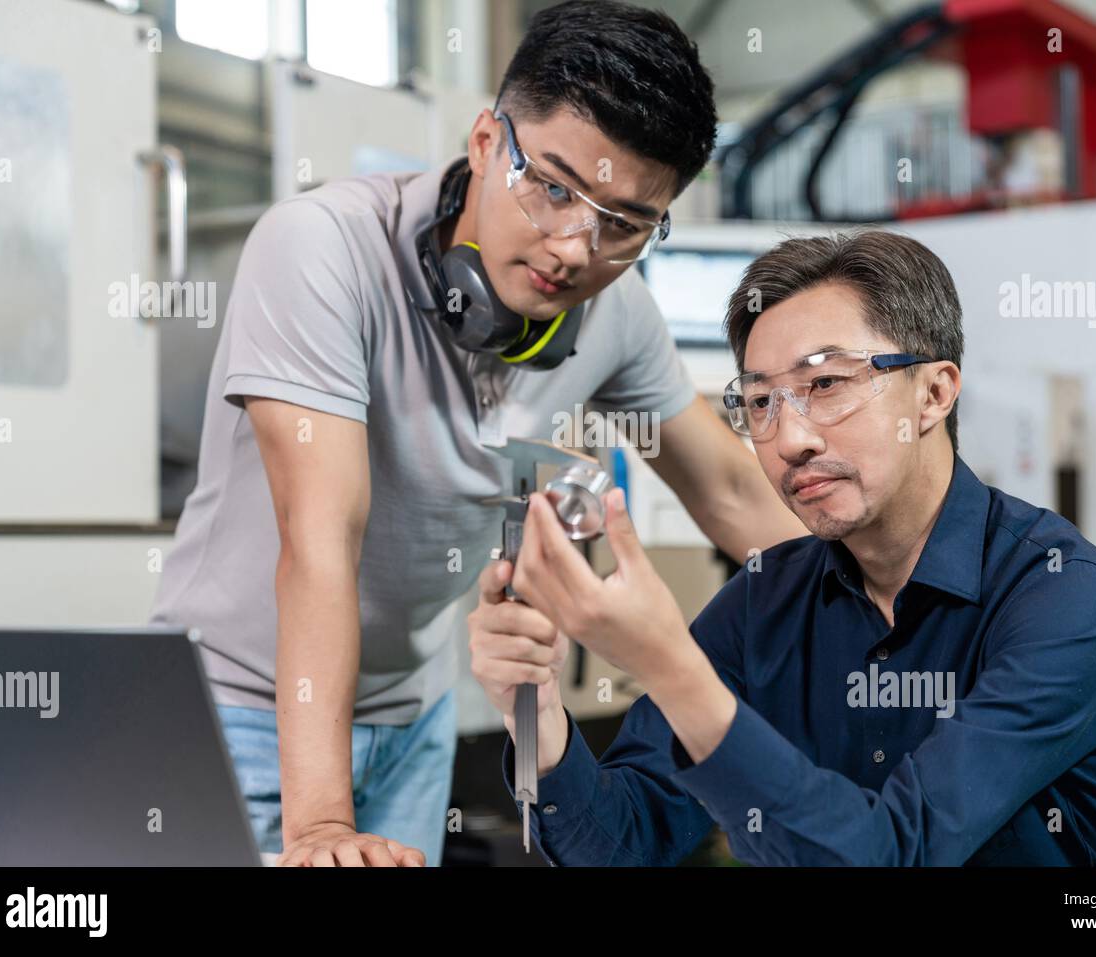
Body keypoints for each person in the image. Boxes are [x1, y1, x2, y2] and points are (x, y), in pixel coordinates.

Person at [149, 0, 805, 867]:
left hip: (412, 719)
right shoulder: (322, 250)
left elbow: (728, 490)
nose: (574, 249)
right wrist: (321, 826)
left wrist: (897, 623)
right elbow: (321, 537)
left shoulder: (614, 314)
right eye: (554, 189)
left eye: (622, 224)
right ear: (488, 143)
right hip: (242, 712)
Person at [469, 230, 1096, 866]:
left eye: (826, 385)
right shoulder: (764, 601)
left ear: (934, 393)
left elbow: (896, 850)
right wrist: (536, 714)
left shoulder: (1061, 594)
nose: (790, 439)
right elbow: (622, 846)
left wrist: (668, 664)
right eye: (761, 402)